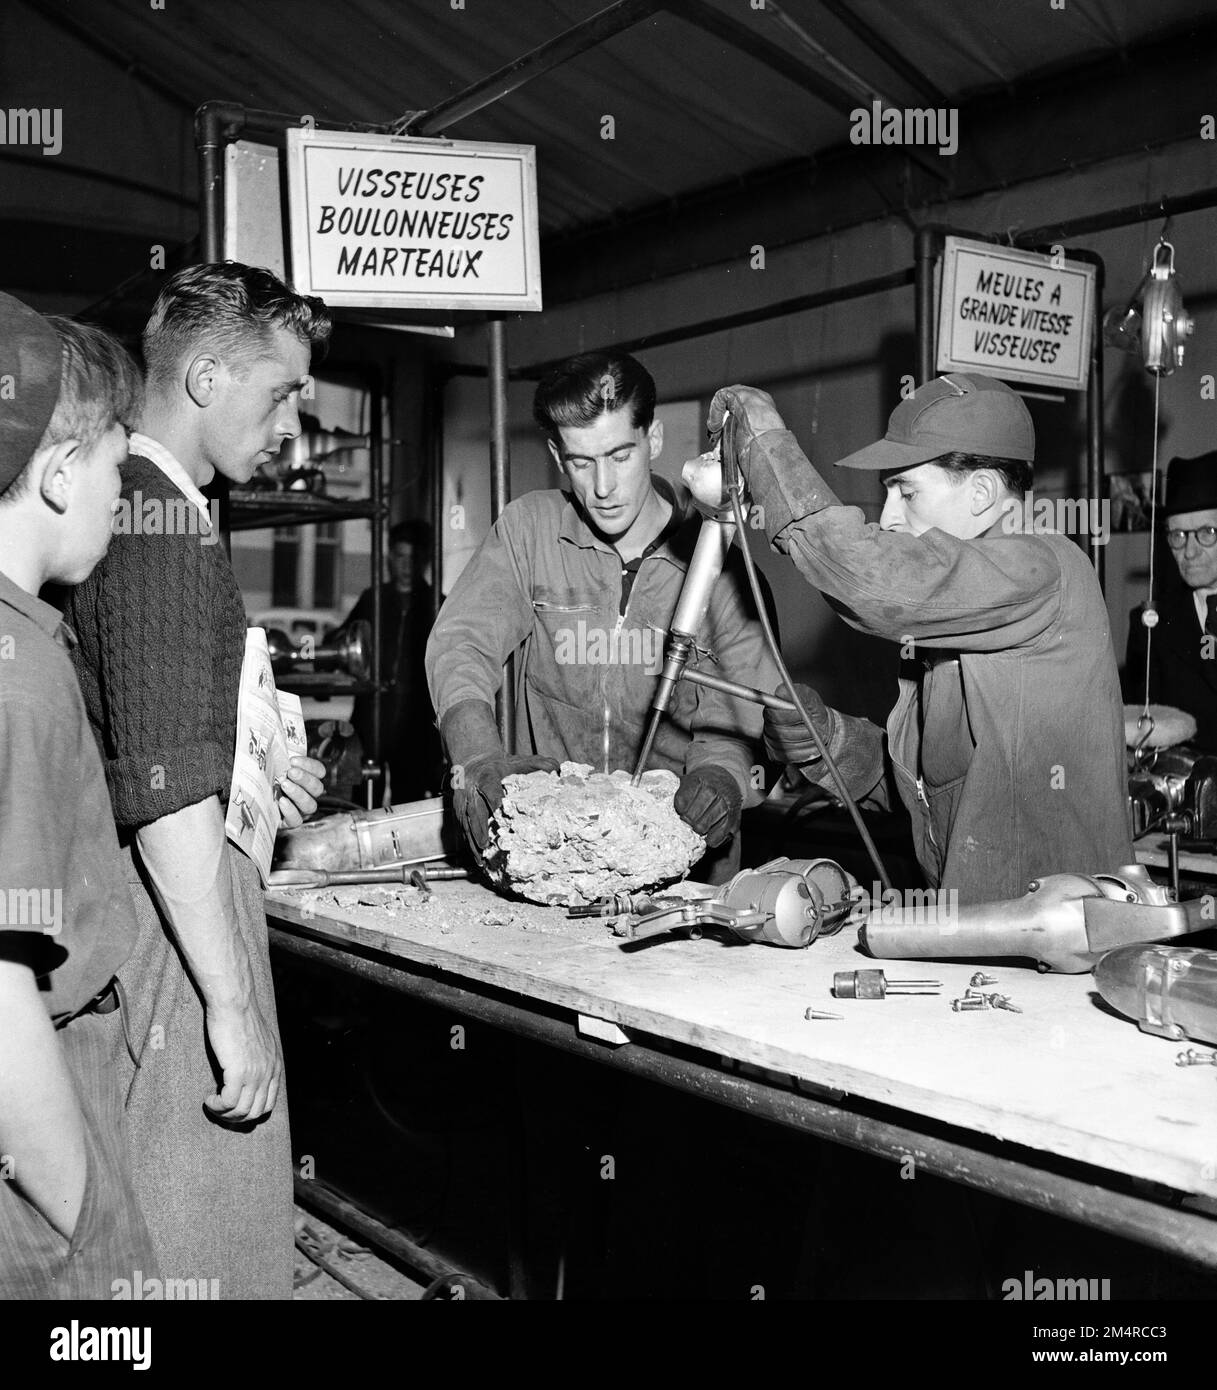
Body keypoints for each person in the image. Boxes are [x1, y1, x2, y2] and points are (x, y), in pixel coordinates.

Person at [62, 262, 331, 1299]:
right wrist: (231, 1005)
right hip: (175, 942)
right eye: (280, 394)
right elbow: (169, 796)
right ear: (208, 377)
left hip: (144, 920)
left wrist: (253, 765)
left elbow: (161, 743)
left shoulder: (130, 506)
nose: (290, 429)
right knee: (200, 1247)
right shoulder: (161, 524)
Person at [686, 373, 1133, 904]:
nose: (890, 516)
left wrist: (765, 441)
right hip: (973, 937)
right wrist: (829, 741)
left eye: (907, 491)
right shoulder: (958, 622)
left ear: (984, 492)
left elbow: (872, 580)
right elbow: (922, 795)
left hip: (1060, 945)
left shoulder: (1046, 569)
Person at [425, 349, 779, 883]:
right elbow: (461, 644)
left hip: (679, 867)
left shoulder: (716, 562)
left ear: (653, 440)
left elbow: (743, 702)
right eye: (582, 462)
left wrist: (722, 780)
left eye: (620, 456)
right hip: (549, 857)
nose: (603, 488)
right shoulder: (530, 533)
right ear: (557, 455)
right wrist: (475, 756)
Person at [0, 294, 159, 1298]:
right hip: (39, 1120)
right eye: (115, 462)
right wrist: (91, 1224)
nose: (120, 491)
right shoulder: (17, 673)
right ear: (59, 474)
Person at [340, 518, 441, 802]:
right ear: (389, 559)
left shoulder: (436, 603)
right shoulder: (373, 598)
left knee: (406, 802)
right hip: (372, 716)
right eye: (400, 556)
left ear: (424, 560)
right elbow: (344, 641)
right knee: (361, 800)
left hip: (415, 726)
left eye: (413, 557)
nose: (406, 565)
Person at [1125, 453, 1217, 748]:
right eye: (1177, 535)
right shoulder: (1150, 627)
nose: (1189, 552)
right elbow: (1143, 735)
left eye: (1207, 533)